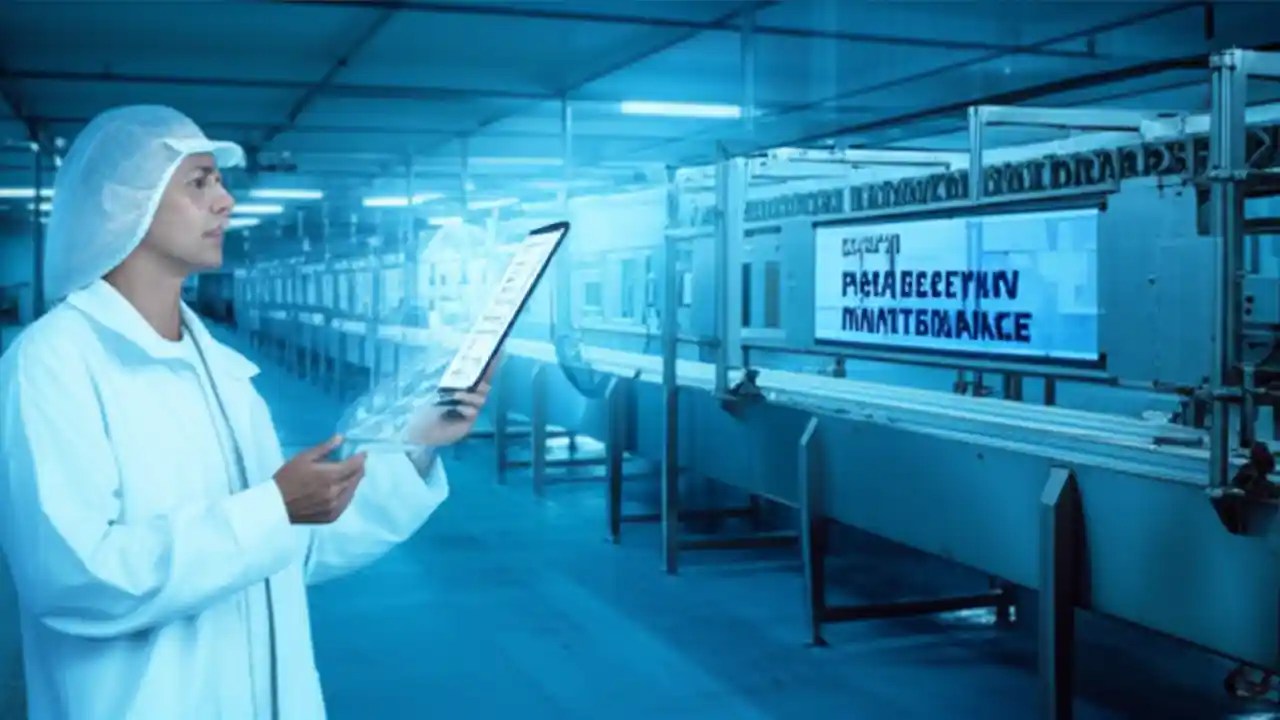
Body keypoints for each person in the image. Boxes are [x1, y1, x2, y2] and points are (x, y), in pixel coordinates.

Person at [0, 105, 492, 719]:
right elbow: (74, 579)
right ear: (125, 205)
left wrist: (417, 444)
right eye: (200, 182)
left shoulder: (222, 371)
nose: (225, 202)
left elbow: (289, 547)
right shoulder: (55, 362)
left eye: (220, 183)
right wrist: (273, 509)